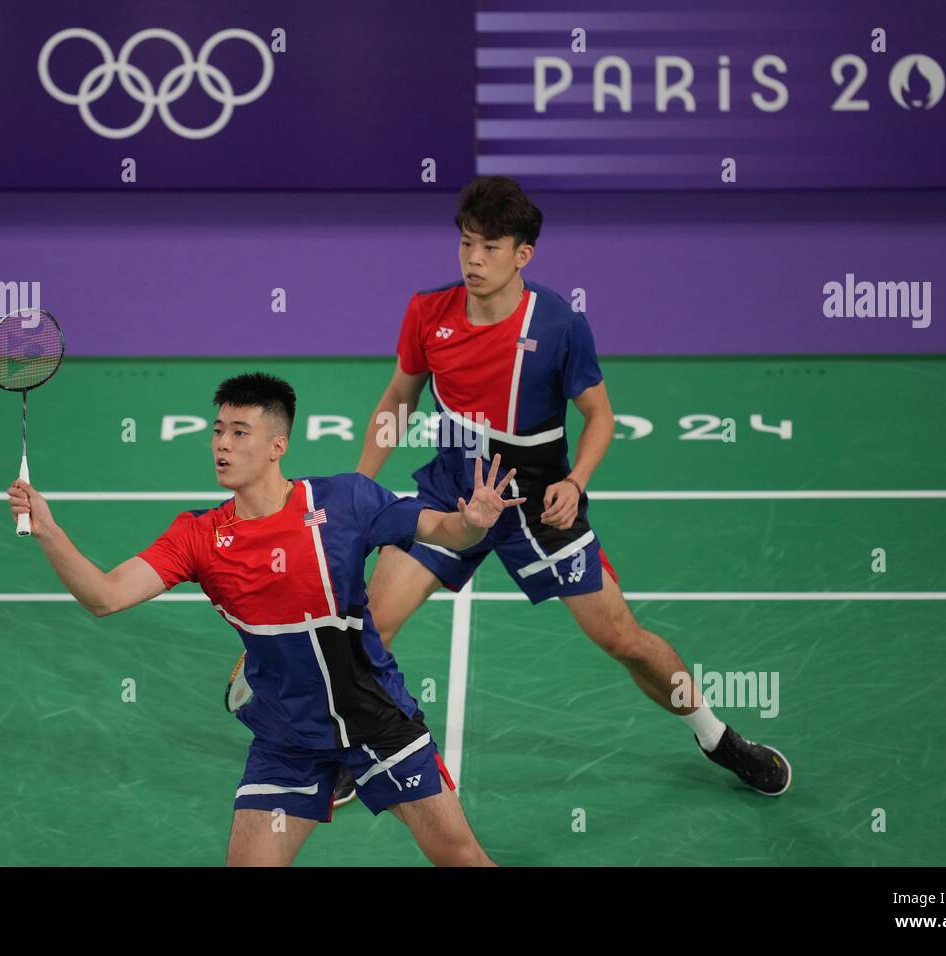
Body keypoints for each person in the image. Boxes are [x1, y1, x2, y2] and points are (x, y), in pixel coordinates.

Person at [230, 176, 791, 804]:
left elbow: (599, 415)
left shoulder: (559, 324)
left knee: (622, 638)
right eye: (466, 244)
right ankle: (351, 748)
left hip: (537, 496)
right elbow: (398, 398)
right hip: (453, 487)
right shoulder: (428, 312)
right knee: (370, 628)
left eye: (490, 247)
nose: (472, 259)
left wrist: (577, 482)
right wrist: (363, 483)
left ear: (522, 254)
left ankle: (716, 737)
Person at [8, 372, 524, 865]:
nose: (222, 445)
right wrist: (48, 530)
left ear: (278, 445)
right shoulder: (199, 538)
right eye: (217, 432)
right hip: (288, 738)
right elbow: (105, 595)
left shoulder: (344, 500)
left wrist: (471, 522)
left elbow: (441, 530)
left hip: (377, 722)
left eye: (239, 432)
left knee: (461, 859)